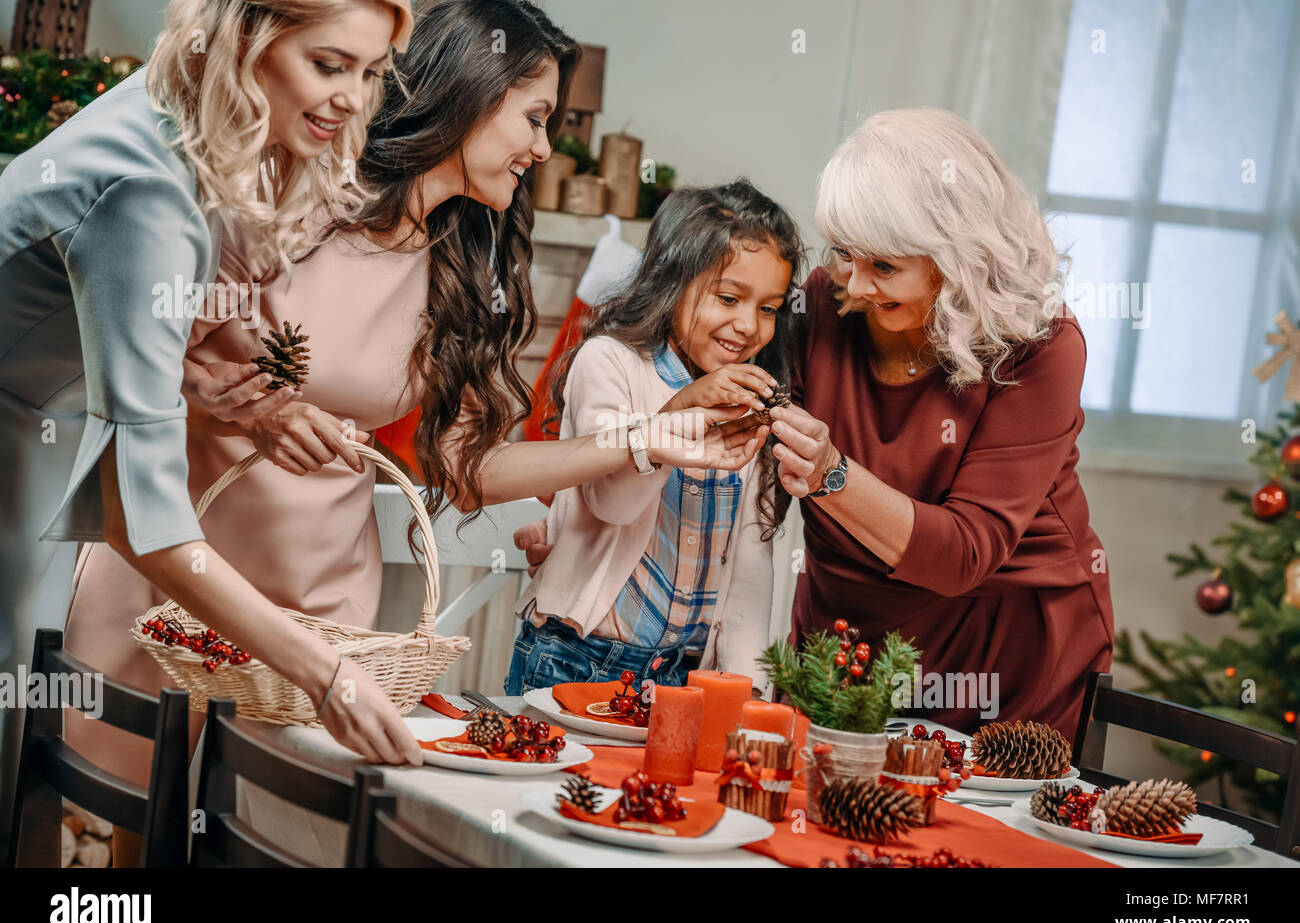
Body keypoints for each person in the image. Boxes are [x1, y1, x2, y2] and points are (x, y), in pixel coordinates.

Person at [62, 0, 766, 858]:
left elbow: (471, 466)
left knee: (261, 845)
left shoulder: (459, 263)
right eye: (534, 118)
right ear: (470, 95)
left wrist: (650, 436)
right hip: (175, 575)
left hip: (324, 609)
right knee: (114, 848)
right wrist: (259, 411)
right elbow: (144, 365)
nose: (544, 149)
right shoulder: (306, 190)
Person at [0, 0, 417, 858]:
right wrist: (325, 670)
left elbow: (75, 310)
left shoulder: (179, 121)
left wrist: (186, 381)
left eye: (370, 74)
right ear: (249, 39)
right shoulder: (149, 189)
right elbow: (143, 526)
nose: (351, 100)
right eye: (329, 63)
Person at [767, 108, 1114, 740]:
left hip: (997, 656)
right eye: (845, 255)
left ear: (954, 254)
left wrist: (832, 475)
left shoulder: (1039, 346)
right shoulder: (823, 298)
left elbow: (964, 554)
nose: (857, 284)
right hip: (847, 634)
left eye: (885, 267)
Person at [505, 180, 803, 695]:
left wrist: (749, 686)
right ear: (672, 282)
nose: (748, 325)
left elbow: (751, 570)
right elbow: (611, 502)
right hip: (578, 656)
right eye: (729, 298)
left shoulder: (757, 400)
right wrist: (682, 410)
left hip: (685, 679)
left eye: (769, 308)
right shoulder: (610, 362)